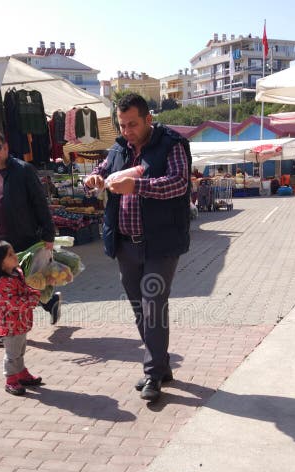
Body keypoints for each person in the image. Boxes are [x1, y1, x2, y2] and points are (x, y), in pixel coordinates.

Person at [84, 93, 191, 403]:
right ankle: (162, 366)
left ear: (148, 119)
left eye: (132, 124)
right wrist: (93, 180)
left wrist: (137, 185)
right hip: (125, 244)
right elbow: (101, 171)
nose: (127, 130)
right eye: (122, 125)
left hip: (161, 243)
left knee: (153, 306)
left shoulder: (171, 144)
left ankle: (153, 374)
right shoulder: (119, 148)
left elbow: (179, 182)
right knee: (139, 309)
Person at [0, 130, 62, 342]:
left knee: (23, 285)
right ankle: (6, 330)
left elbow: (40, 202)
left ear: (6, 147)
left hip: (26, 238)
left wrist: (48, 234)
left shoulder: (23, 170)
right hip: (0, 242)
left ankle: (44, 306)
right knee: (2, 286)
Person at [0, 240, 44, 396]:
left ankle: (21, 373)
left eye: (13, 252)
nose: (15, 256)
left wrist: (33, 292)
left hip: (21, 322)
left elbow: (23, 289)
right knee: (12, 354)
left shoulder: (16, 273)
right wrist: (31, 300)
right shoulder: (3, 283)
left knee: (20, 351)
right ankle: (11, 380)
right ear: (0, 263)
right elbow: (11, 303)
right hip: (10, 324)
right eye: (9, 255)